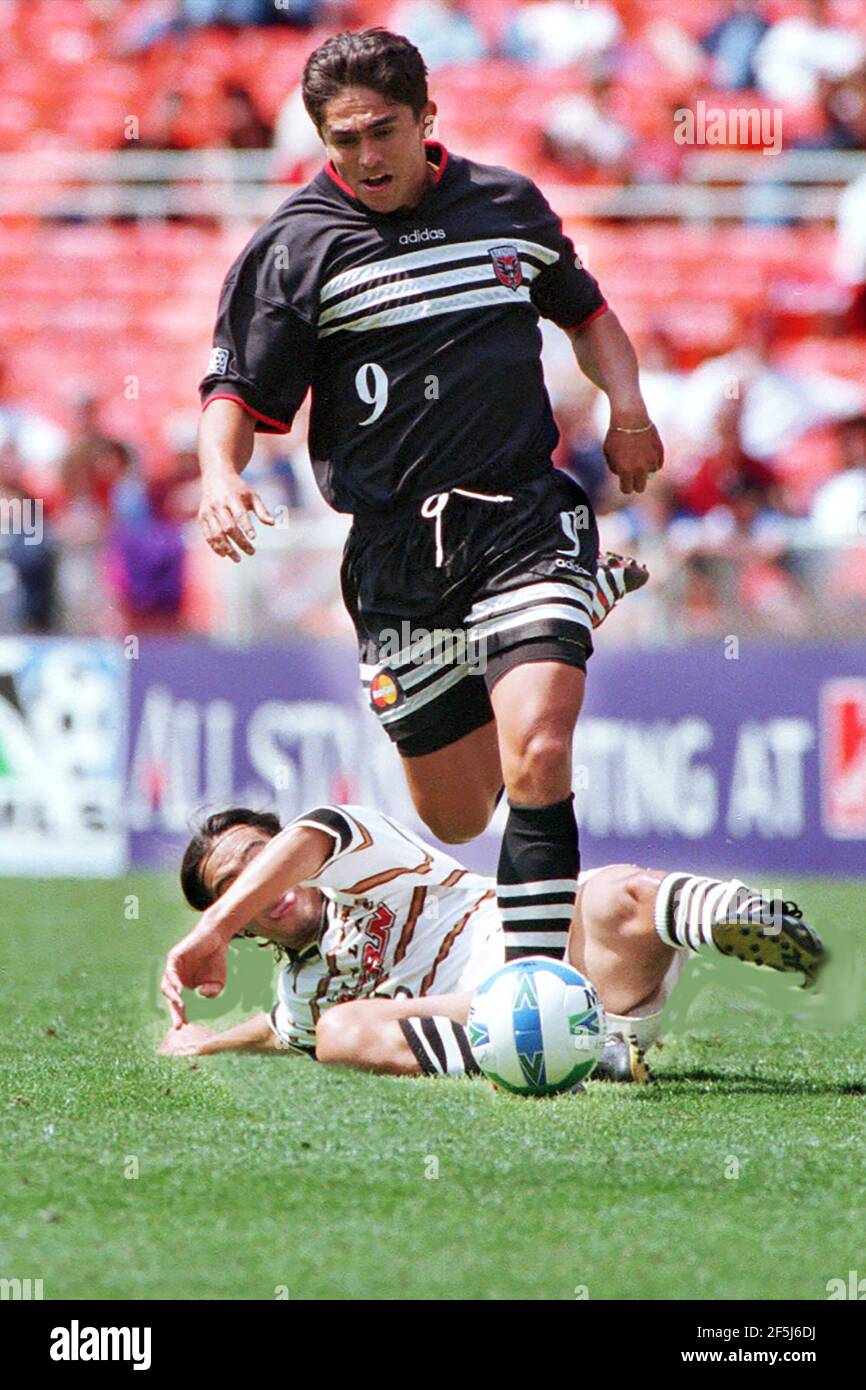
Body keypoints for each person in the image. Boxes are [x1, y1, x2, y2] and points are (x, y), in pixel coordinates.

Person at [195, 28, 663, 978]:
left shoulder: (505, 204)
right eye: (343, 139)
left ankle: (536, 994)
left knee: (538, 748)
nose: (366, 156)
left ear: (426, 119)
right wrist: (220, 475)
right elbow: (237, 394)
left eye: (384, 131)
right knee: (457, 812)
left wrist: (630, 406)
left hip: (525, 517)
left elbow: (589, 314)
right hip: (398, 556)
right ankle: (556, 623)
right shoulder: (294, 247)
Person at [159, 804, 825, 1082]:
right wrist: (206, 1039)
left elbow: (313, 835)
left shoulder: (359, 855)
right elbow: (284, 1029)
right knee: (337, 1032)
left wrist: (210, 925)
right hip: (509, 1020)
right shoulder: (301, 992)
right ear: (243, 929)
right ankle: (582, 1054)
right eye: (232, 888)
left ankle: (751, 915)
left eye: (259, 856)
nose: (255, 882)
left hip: (556, 952)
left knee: (614, 896)